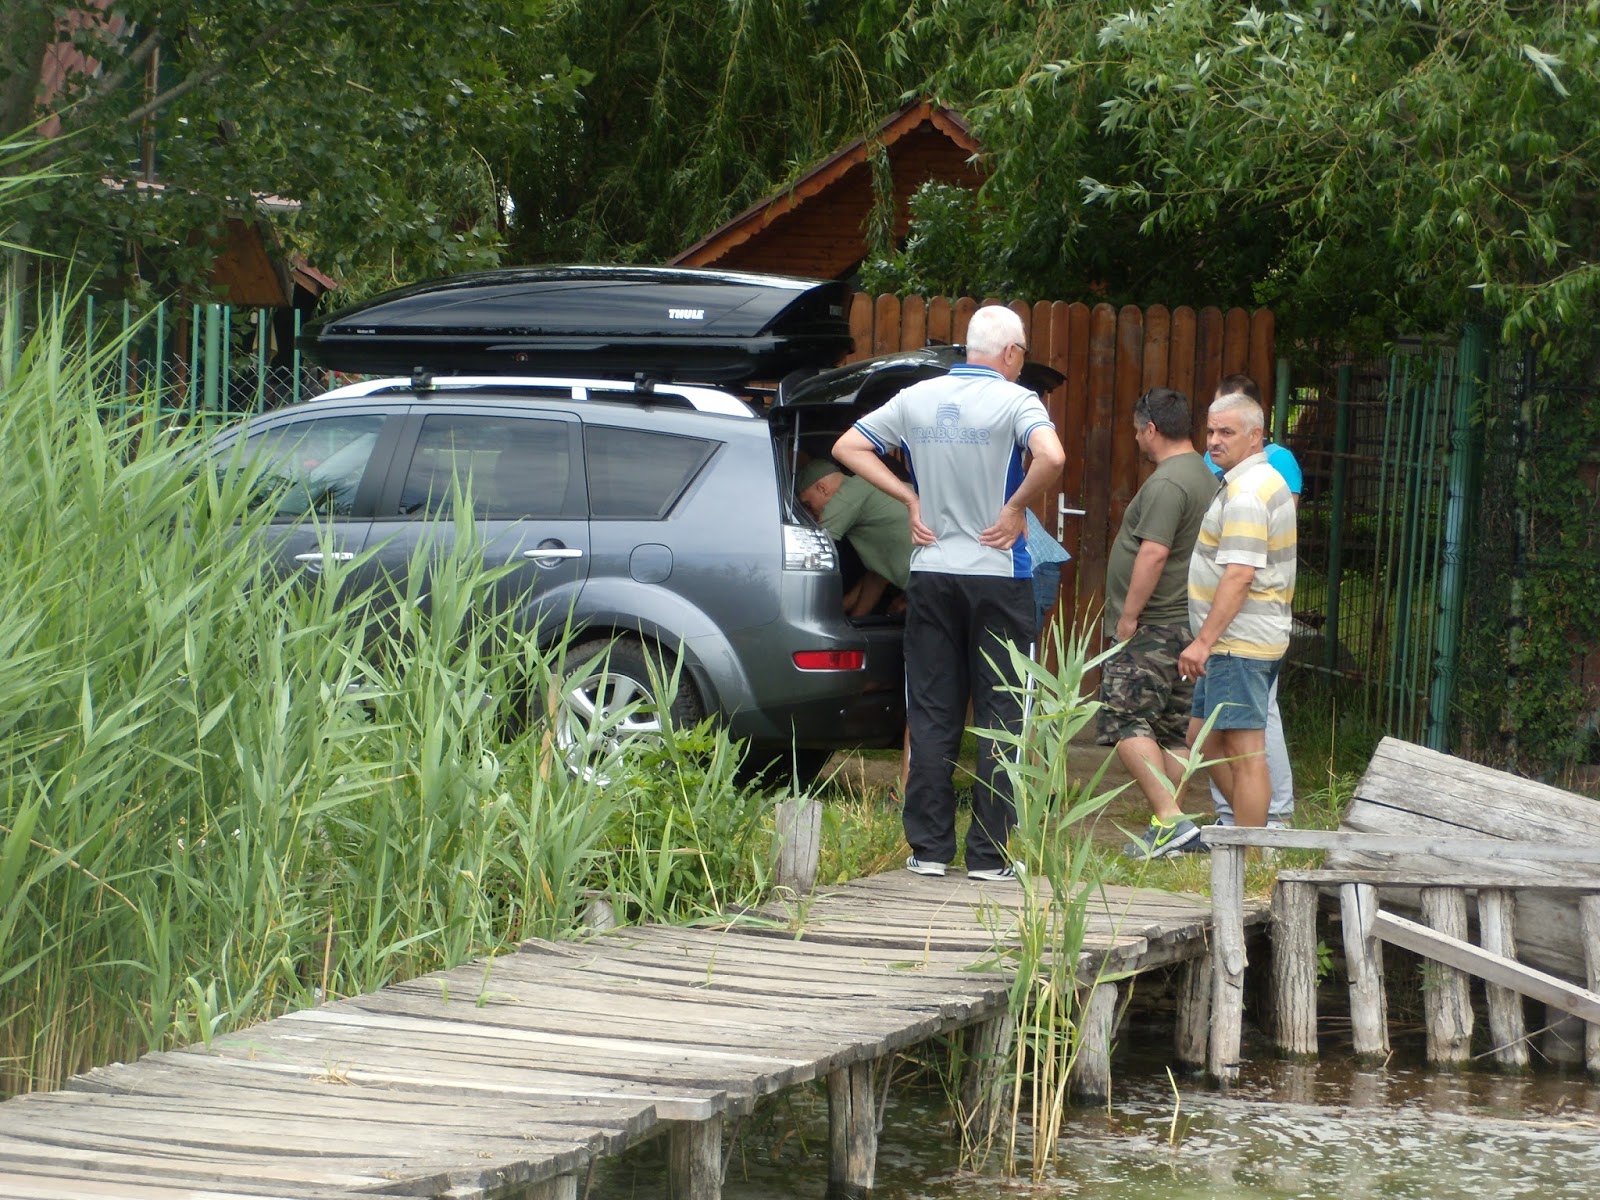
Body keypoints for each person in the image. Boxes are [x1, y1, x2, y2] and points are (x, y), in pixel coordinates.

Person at [833, 305, 1066, 882]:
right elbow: (1053, 456)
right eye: (1021, 354)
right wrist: (1015, 509)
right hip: (999, 571)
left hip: (933, 571)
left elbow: (848, 448)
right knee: (1002, 712)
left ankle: (930, 850)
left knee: (933, 712)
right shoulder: (1018, 402)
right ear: (1011, 352)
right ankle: (989, 856)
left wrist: (910, 498)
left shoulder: (918, 397)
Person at [1098, 388, 1226, 859]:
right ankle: (1170, 827)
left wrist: (1128, 617)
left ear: (1151, 428)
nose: (1136, 439)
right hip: (1186, 625)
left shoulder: (1169, 482)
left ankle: (1170, 820)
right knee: (1172, 728)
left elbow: (1153, 551)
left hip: (1154, 625)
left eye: (1136, 430)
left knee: (1125, 717)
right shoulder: (1206, 476)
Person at [1179, 391, 1297, 831]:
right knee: (1201, 742)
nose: (1213, 441)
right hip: (1239, 640)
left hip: (1236, 643)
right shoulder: (1258, 481)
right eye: (1210, 431)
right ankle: (1255, 829)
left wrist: (1204, 642)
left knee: (1245, 753)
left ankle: (1252, 853)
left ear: (1255, 436)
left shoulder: (1247, 492)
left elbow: (1239, 576)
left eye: (1226, 432)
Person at [797, 457, 912, 617]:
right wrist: (848, 619)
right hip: (942, 573)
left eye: (808, 504)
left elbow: (813, 552)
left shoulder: (844, 497)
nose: (810, 513)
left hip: (933, 580)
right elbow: (877, 578)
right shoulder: (865, 486)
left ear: (822, 489)